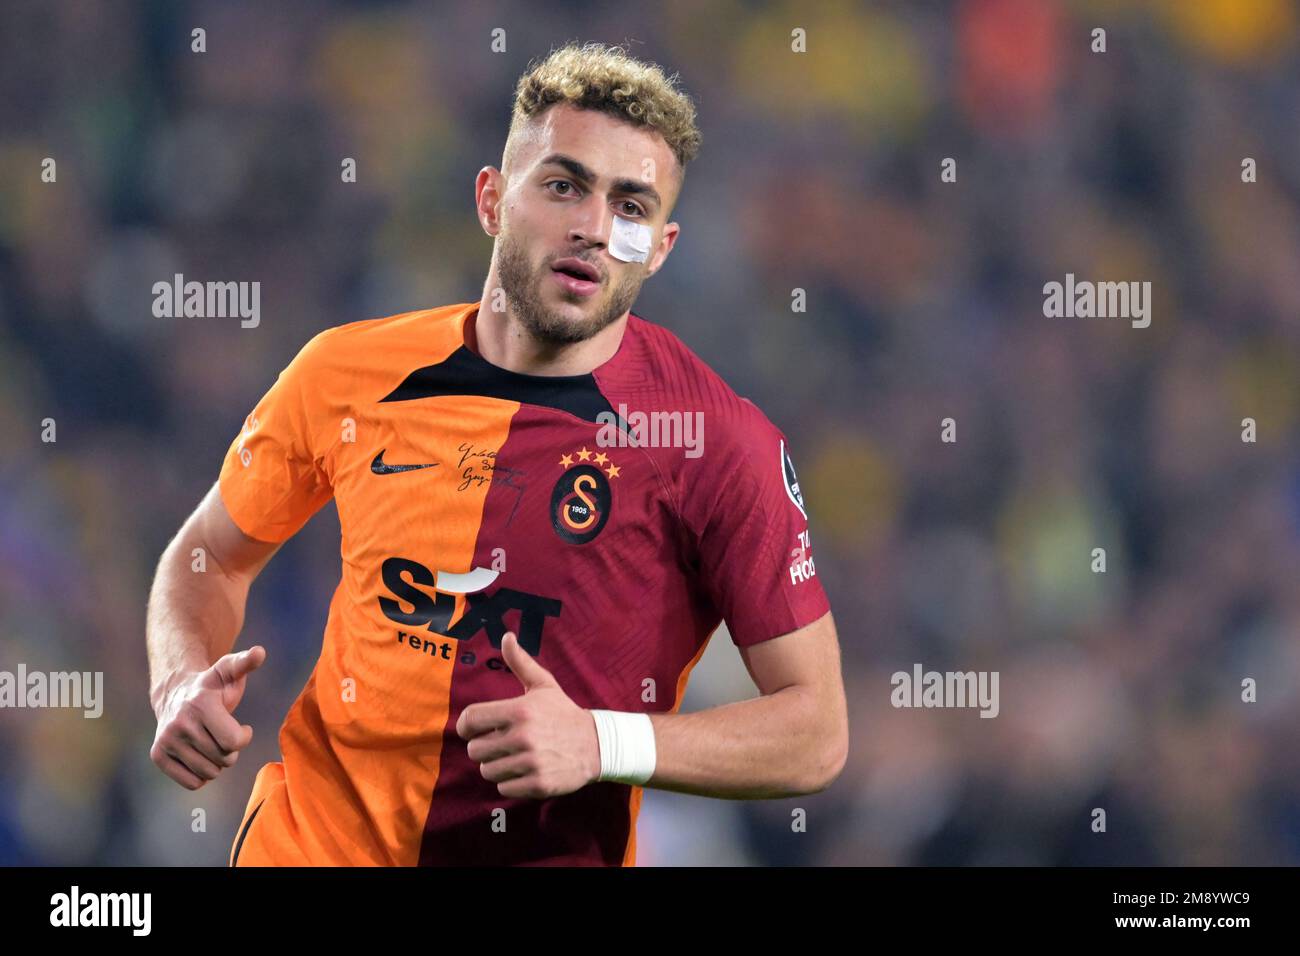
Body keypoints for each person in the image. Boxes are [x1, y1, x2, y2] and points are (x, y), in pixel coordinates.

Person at [145, 41, 848, 866]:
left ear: (660, 247)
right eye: (563, 186)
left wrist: (599, 743)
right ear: (491, 199)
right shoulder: (344, 372)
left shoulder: (715, 444)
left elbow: (816, 731)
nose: (593, 226)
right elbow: (209, 556)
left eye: (632, 207)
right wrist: (178, 680)